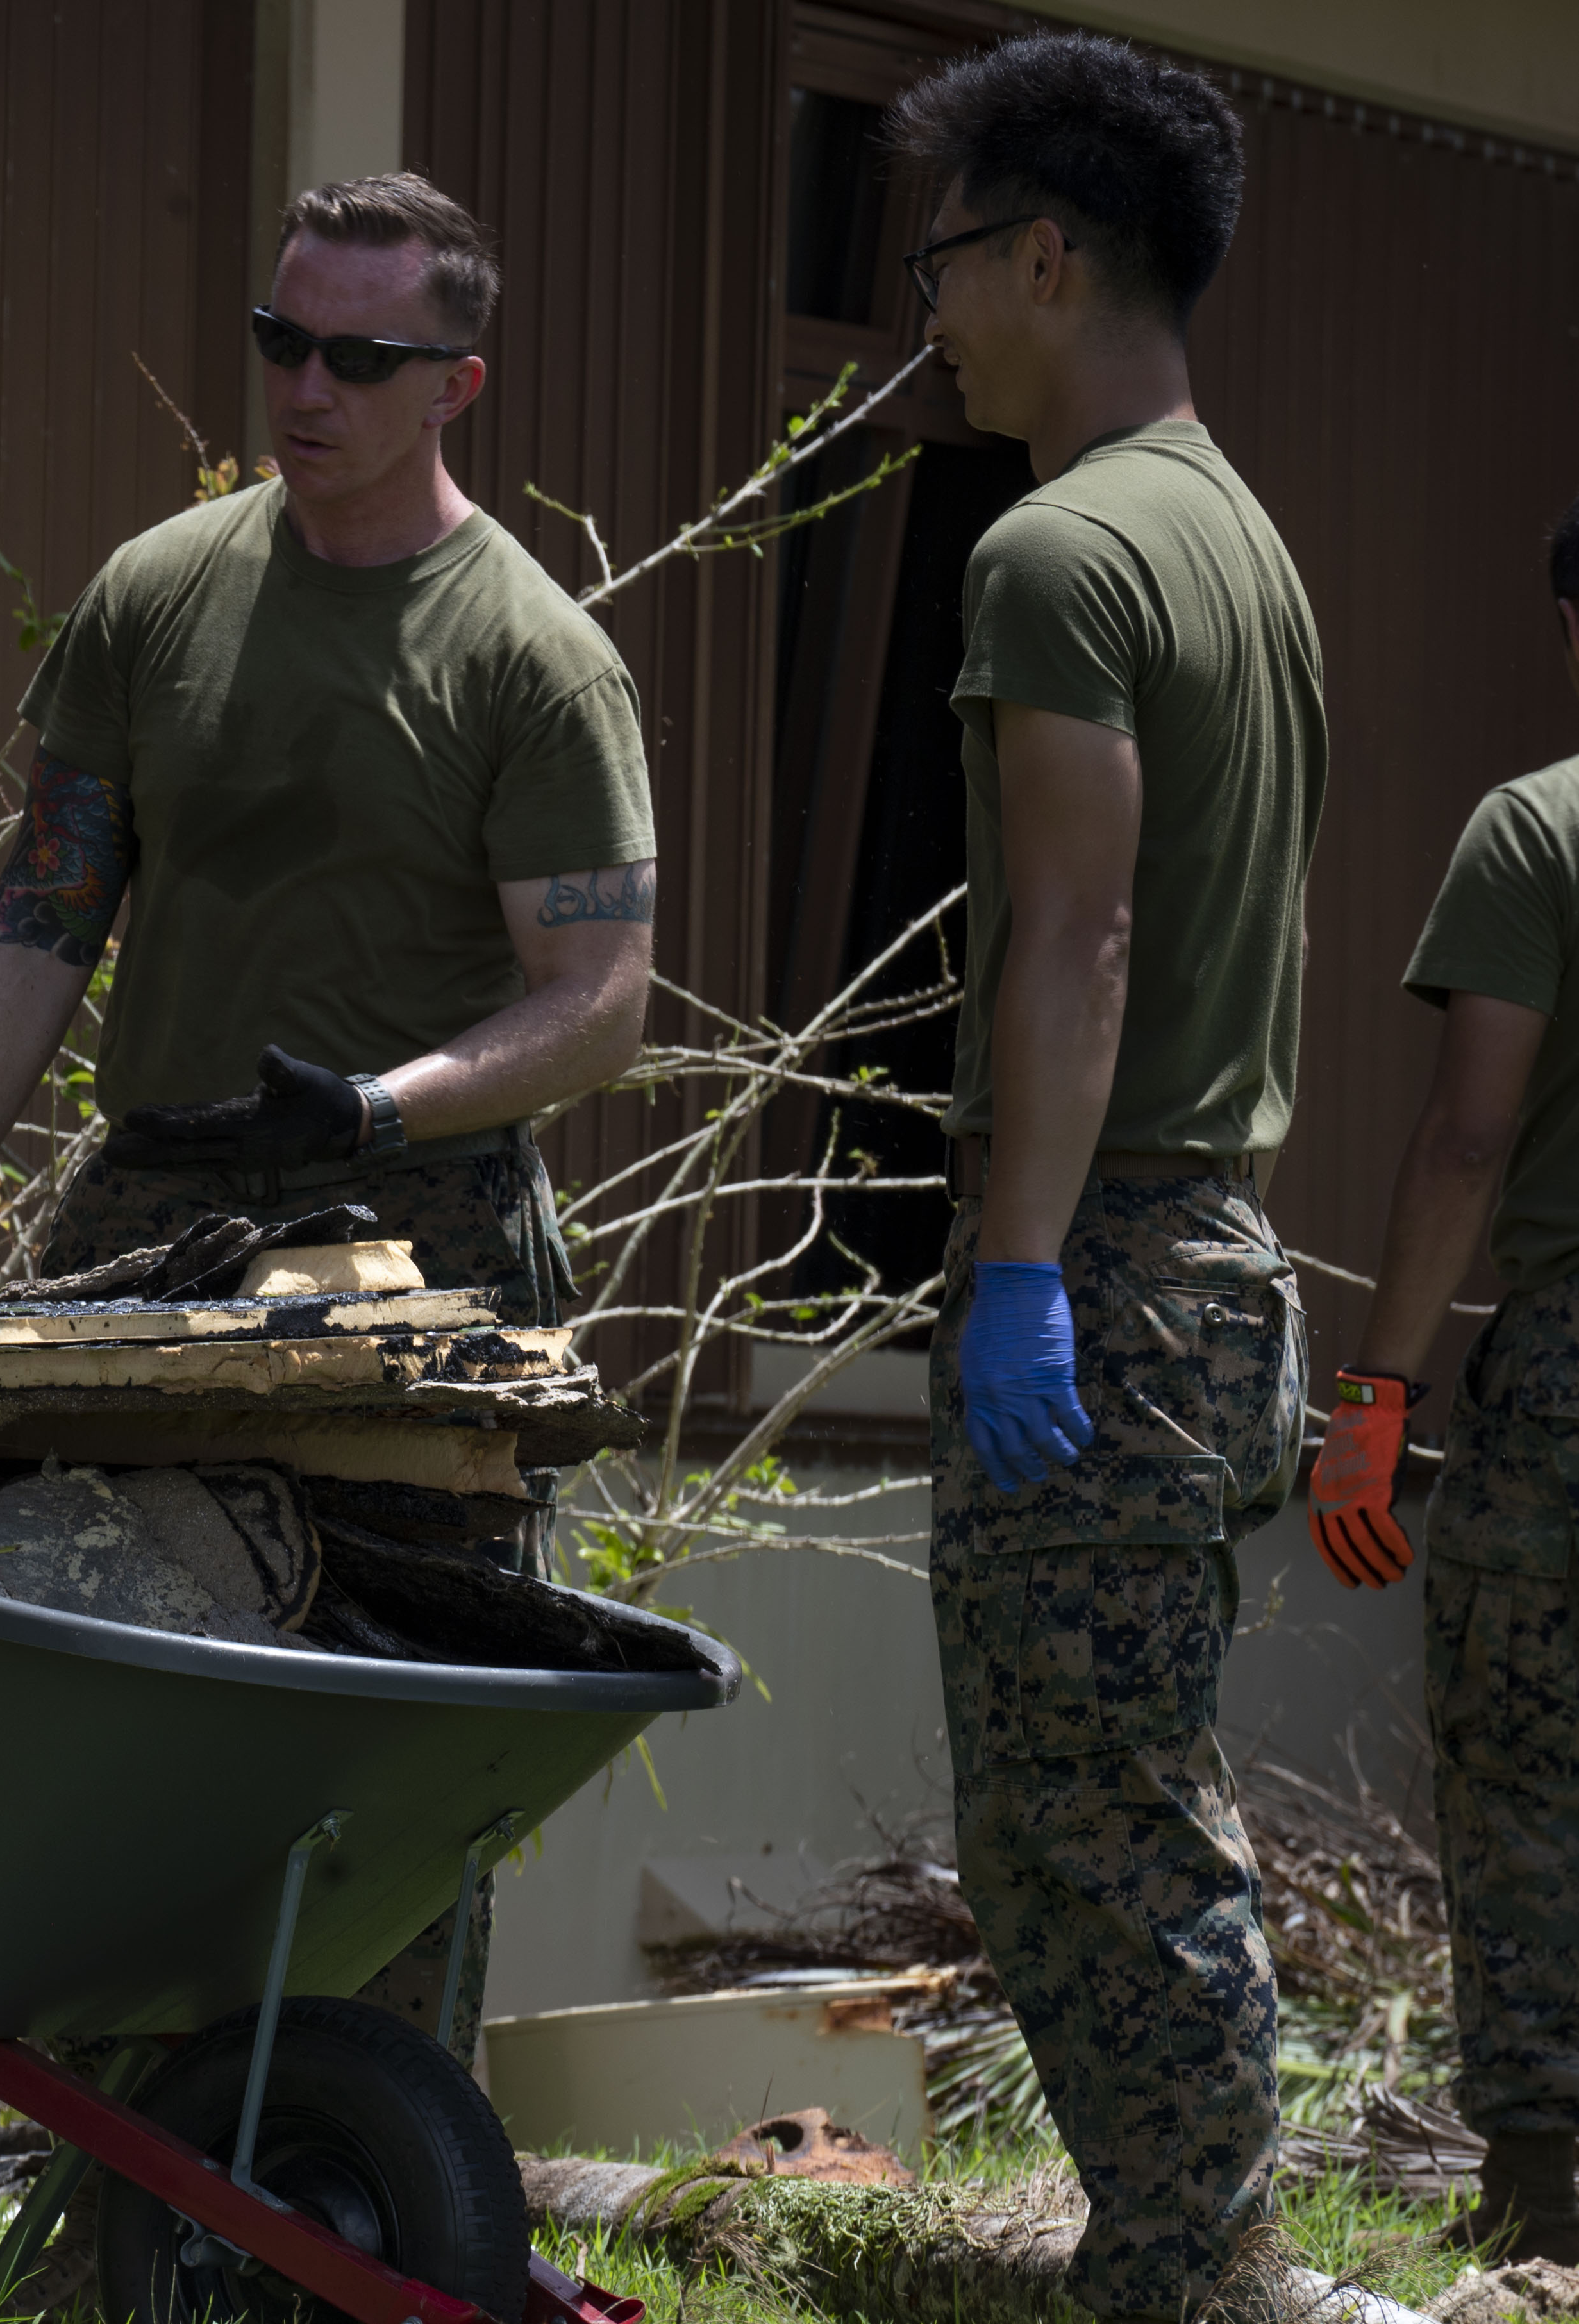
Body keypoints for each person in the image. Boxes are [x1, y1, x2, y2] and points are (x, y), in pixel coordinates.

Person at [0, 168, 653, 2039]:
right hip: (160, 1212)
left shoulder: (534, 656)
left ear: (455, 383)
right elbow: (44, 911)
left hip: (413, 1240)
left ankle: (352, 2165)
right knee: (86, 1690)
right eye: (282, 339)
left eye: (358, 358)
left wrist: (374, 1108)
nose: (306, 387)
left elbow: (597, 1001)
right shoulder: (156, 594)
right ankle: (107, 2167)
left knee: (387, 1728)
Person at [895, 33, 1323, 2320]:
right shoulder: (1239, 538)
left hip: (1114, 1257)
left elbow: (1078, 935)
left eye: (944, 264)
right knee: (1117, 1792)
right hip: (1210, 1255)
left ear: (1044, 255)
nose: (932, 315)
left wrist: (1019, 1269)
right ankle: (1188, 2245)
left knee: (1084, 1815)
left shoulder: (1057, 551)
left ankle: (1192, 2268)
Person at [1305, 498, 1579, 2263]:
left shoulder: (1537, 828)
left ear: (1570, 622)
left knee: (1529, 1769)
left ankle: (1549, 2192)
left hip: (1568, 1373)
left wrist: (1377, 1394)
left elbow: (1470, 1135)